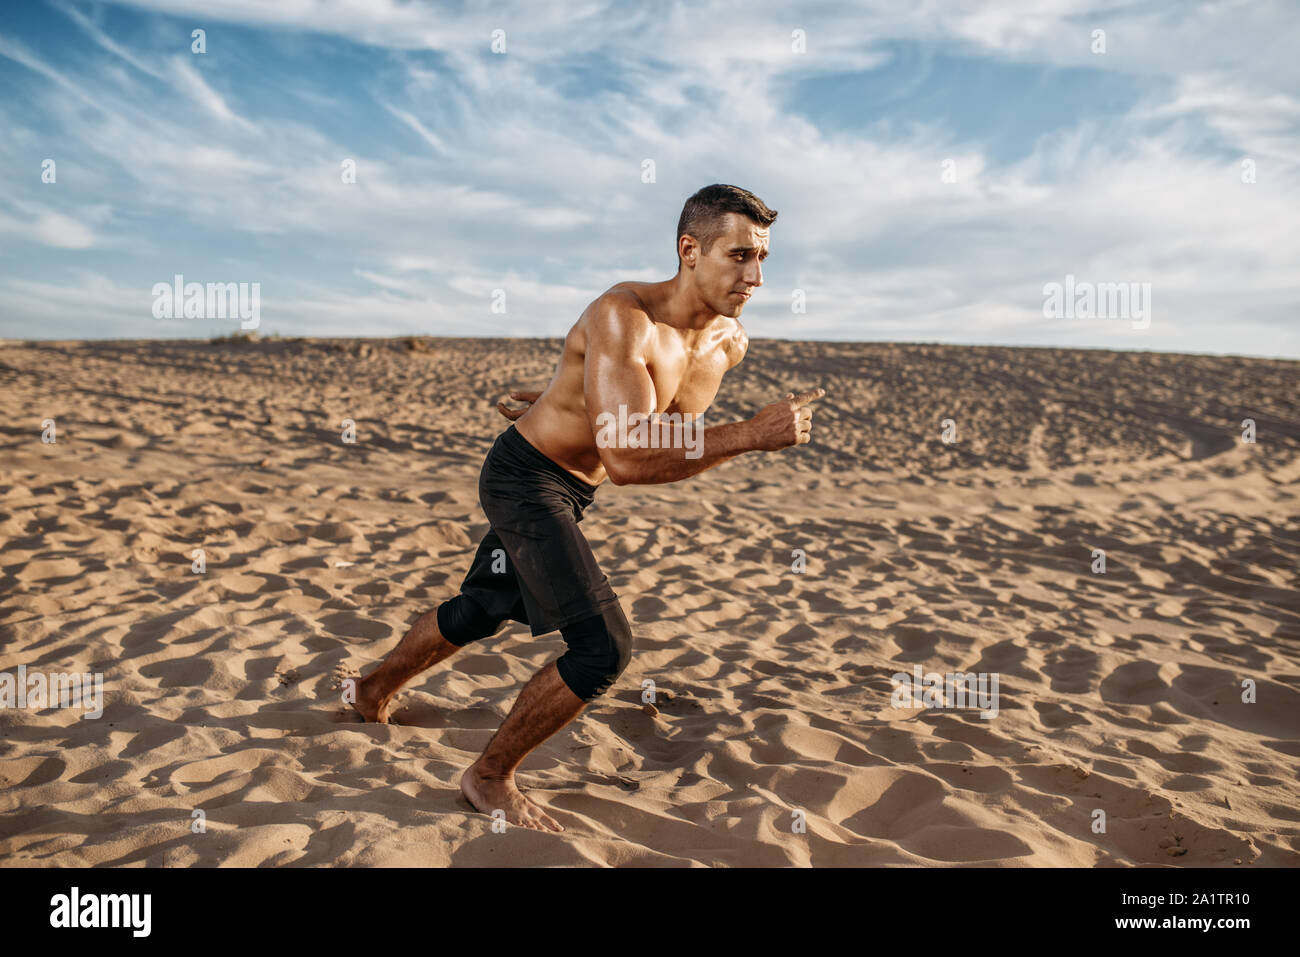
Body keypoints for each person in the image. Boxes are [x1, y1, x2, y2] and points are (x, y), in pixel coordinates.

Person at [353, 184, 824, 832]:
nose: (757, 276)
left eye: (763, 258)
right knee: (603, 646)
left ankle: (371, 688)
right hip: (524, 476)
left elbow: (665, 439)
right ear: (690, 250)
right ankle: (487, 777)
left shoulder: (726, 345)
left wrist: (570, 402)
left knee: (484, 607)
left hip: (574, 488)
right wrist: (749, 435)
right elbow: (630, 459)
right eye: (740, 255)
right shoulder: (623, 314)